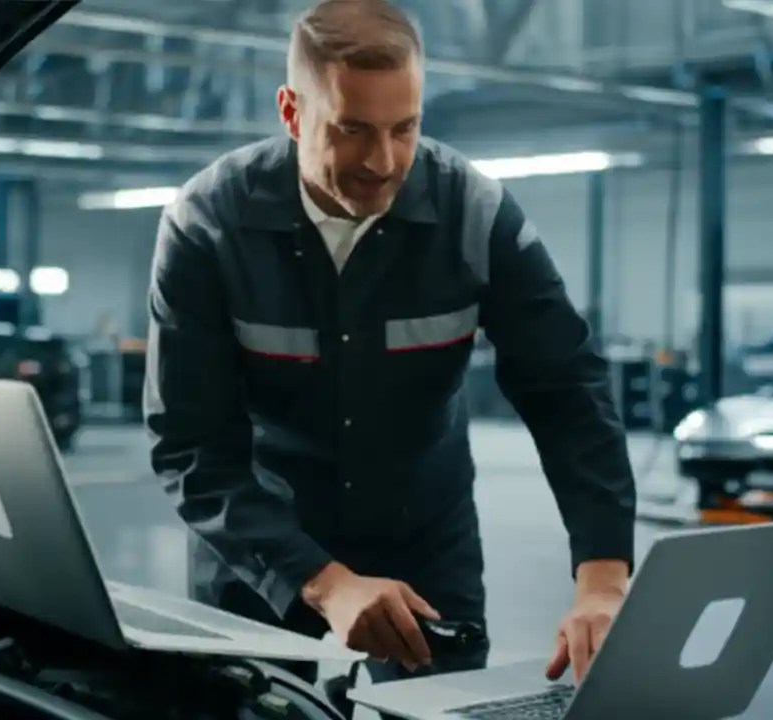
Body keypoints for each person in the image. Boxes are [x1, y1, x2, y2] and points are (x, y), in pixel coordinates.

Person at [143, 0, 637, 699]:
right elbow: (190, 447)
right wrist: (322, 581)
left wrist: (603, 580)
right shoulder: (207, 228)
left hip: (427, 550)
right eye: (351, 131)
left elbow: (569, 394)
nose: (382, 162)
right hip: (262, 552)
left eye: (404, 129)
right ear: (291, 112)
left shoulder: (477, 215)